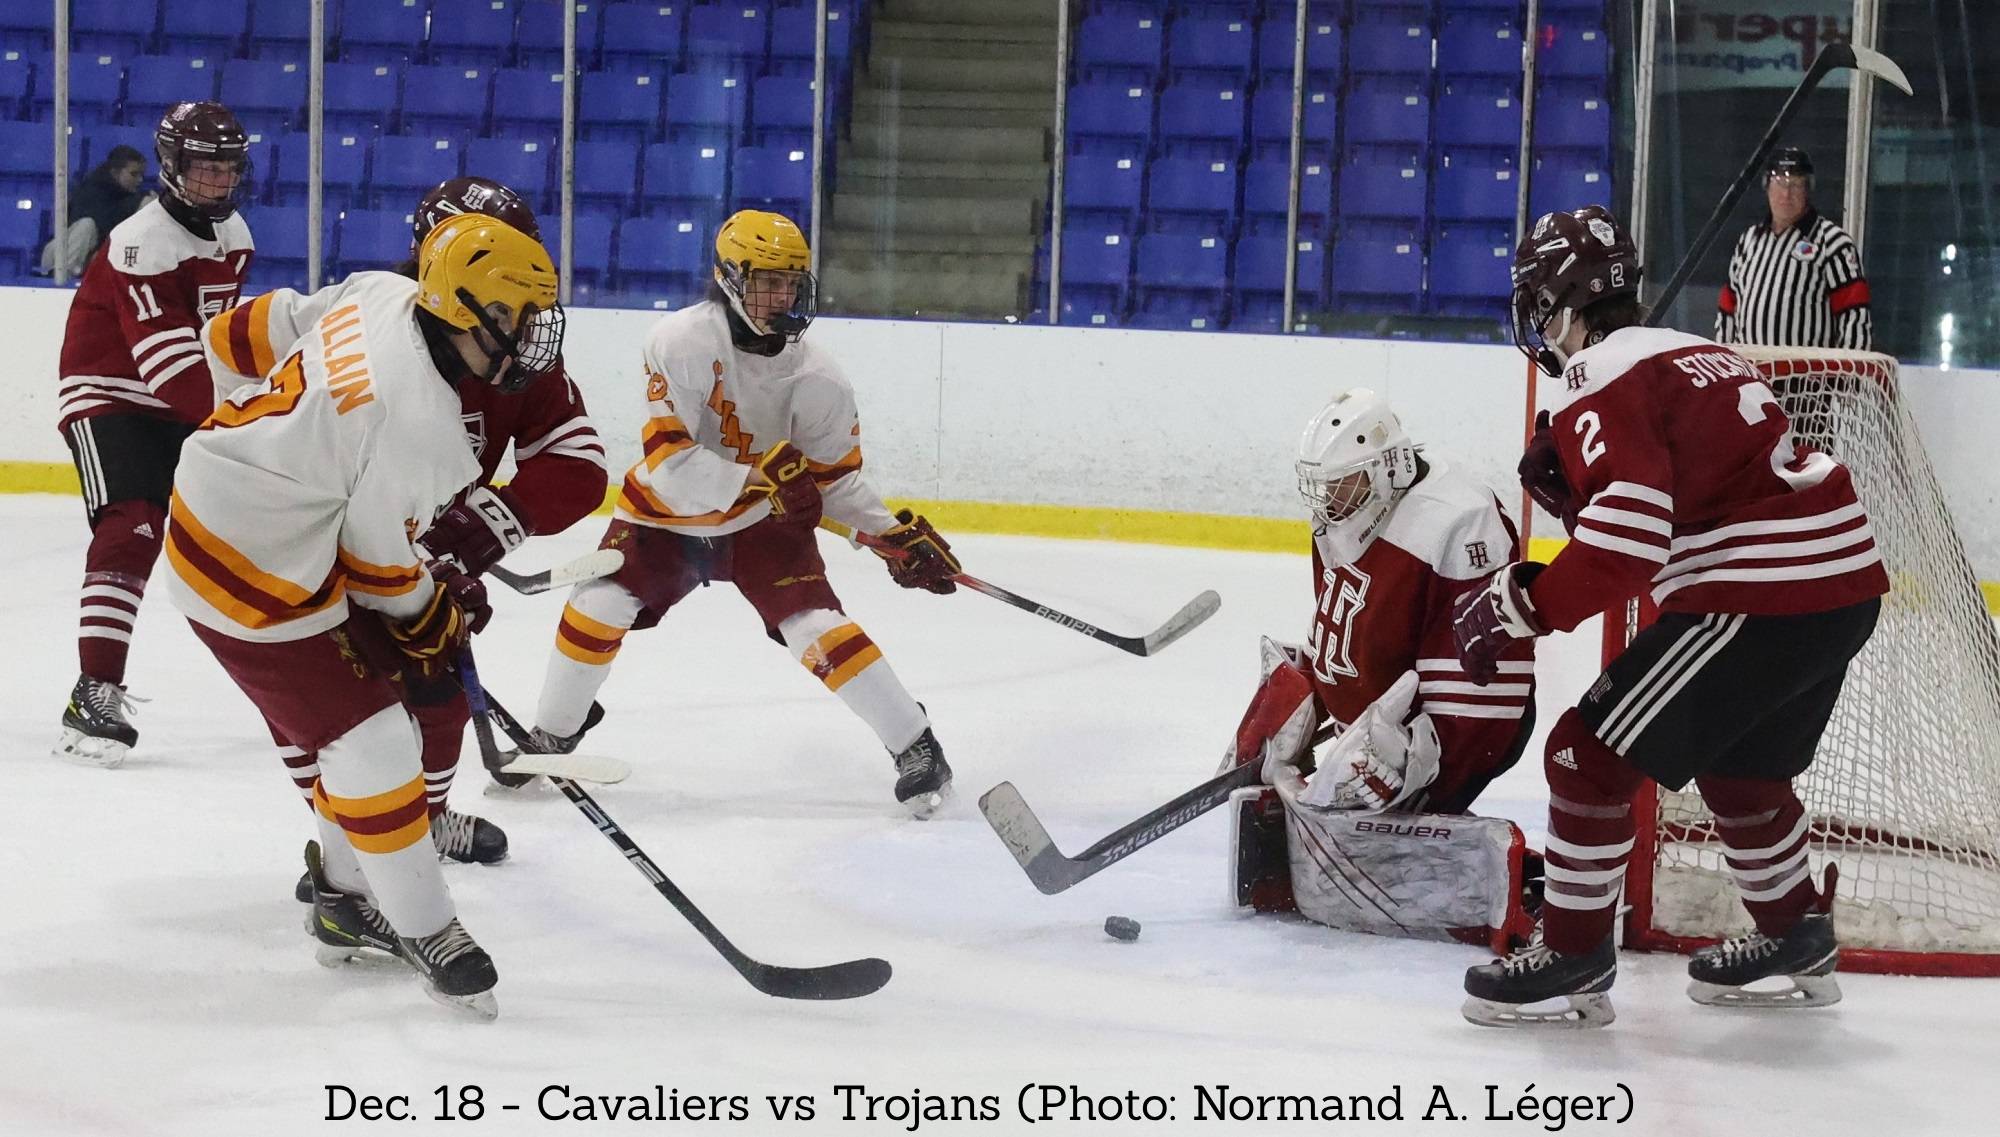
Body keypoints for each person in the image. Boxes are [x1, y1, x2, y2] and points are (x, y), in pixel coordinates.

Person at [1450, 205, 1889, 1028]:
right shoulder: (1706, 350)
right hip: (1841, 584)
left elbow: (1629, 543)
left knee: (1584, 754)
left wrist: (1520, 606)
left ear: (1565, 304)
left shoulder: (1597, 373)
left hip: (1757, 589)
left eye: (1538, 300)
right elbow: (1678, 501)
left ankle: (1575, 951)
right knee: (1742, 768)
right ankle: (1797, 932)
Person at [165, 211, 566, 1018]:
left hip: (253, 520)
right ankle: (425, 926)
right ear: (465, 310)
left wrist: (261, 442)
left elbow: (246, 332)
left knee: (377, 725)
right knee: (375, 736)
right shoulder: (419, 426)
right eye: (518, 317)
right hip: (251, 570)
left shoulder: (383, 292)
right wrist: (433, 615)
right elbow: (382, 572)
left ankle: (347, 896)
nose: (532, 338)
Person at [202, 176, 609, 885]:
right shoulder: (370, 310)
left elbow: (579, 467)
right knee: (339, 718)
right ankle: (357, 855)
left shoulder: (508, 341)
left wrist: (469, 534)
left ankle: (411, 827)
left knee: (437, 694)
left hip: (407, 551)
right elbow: (227, 341)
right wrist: (248, 444)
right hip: (311, 548)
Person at [524, 209, 962, 818]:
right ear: (728, 279)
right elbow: (672, 461)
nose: (781, 296)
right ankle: (553, 734)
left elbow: (834, 480)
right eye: (765, 281)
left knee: (814, 627)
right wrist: (762, 478)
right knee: (599, 606)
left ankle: (917, 745)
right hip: (664, 519)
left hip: (762, 525)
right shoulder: (680, 342)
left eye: (791, 282)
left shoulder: (820, 376)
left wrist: (890, 536)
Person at [1221, 389, 1538, 944]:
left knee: (1344, 836)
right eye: (1321, 488)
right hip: (1374, 728)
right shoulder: (1345, 514)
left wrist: (1421, 754)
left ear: (1389, 467)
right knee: (1321, 821)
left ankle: (1527, 885)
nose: (1328, 504)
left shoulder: (1461, 519)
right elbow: (1355, 623)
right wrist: (1307, 690)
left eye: (1341, 485)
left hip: (1449, 730)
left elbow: (1490, 674)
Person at [53, 101, 254, 768]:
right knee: (132, 524)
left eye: (225, 170)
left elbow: (217, 347)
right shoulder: (142, 240)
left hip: (176, 405)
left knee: (260, 529)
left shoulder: (237, 237)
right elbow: (170, 366)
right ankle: (94, 688)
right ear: (171, 169)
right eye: (201, 169)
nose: (215, 183)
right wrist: (251, 424)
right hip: (107, 393)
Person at [1715, 148, 1872, 351]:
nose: (1786, 194)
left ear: (1807, 190)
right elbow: (1728, 311)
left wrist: (1849, 379)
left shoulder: (1833, 242)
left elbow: (1854, 317)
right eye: (1779, 183)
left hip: (1809, 381)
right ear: (1767, 186)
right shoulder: (1749, 241)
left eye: (1796, 185)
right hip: (1752, 378)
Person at [40, 145, 151, 277]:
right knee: (86, 225)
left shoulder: (131, 199)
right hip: (57, 256)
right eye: (134, 174)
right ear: (115, 172)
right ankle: (62, 279)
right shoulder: (89, 191)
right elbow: (101, 222)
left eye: (141, 175)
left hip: (91, 262)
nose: (140, 180)